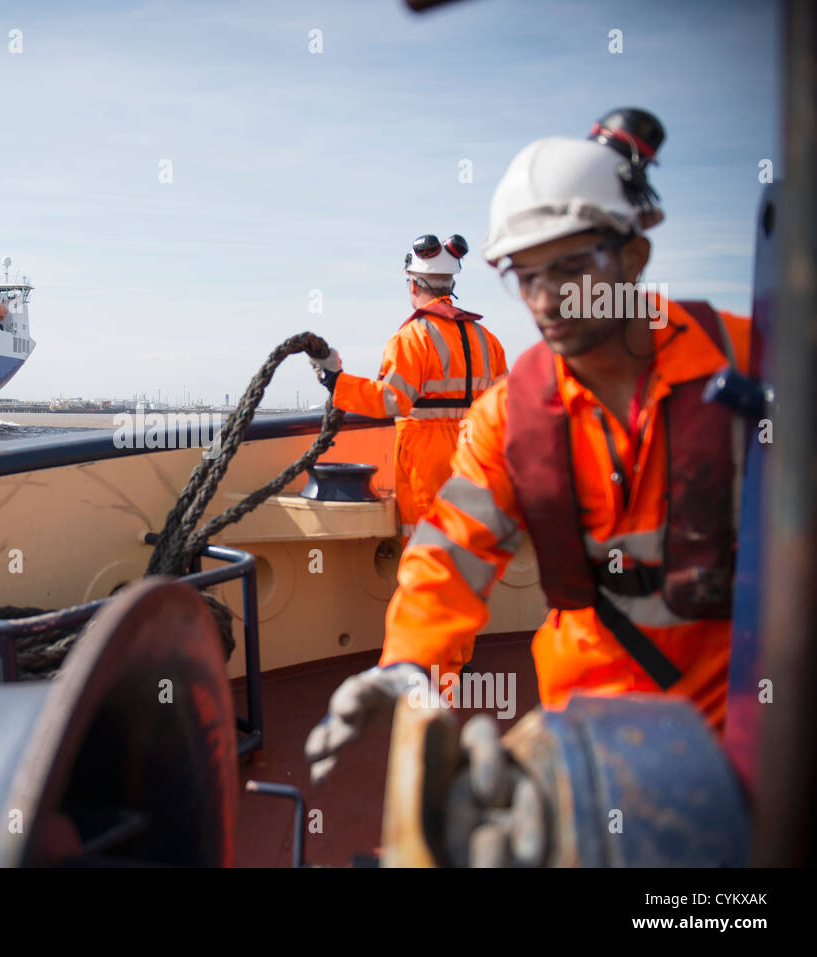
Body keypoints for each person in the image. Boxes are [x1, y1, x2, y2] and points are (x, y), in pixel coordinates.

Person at [306, 108, 750, 785]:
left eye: (568, 267)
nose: (544, 297)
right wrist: (404, 663)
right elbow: (451, 550)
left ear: (634, 255)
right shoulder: (513, 413)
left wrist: (338, 383)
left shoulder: (748, 362)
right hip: (586, 731)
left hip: (745, 723)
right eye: (523, 273)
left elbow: (391, 400)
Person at [309, 233, 507, 539]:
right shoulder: (488, 340)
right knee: (470, 545)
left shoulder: (412, 338)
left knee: (428, 548)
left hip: (428, 463)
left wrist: (335, 380)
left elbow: (390, 400)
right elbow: (505, 407)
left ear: (413, 284)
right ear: (451, 285)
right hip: (476, 457)